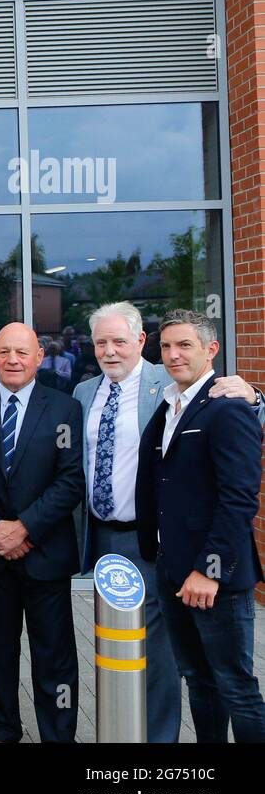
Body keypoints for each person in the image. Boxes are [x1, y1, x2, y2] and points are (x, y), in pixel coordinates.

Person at [77, 301, 264, 742]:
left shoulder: (203, 393)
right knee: (190, 671)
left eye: (119, 341)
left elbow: (239, 493)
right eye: (101, 342)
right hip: (135, 547)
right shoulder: (109, 396)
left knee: (228, 680)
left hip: (202, 563)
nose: (109, 350)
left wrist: (256, 395)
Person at [136, 309, 265, 742]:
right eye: (167, 346)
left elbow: (239, 499)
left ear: (211, 349)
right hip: (173, 568)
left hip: (216, 579)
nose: (173, 355)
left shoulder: (227, 407)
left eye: (184, 345)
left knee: (236, 685)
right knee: (198, 677)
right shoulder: (171, 404)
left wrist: (209, 571)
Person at [0, 322, 84, 743]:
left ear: (39, 358)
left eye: (22, 352)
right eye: (5, 352)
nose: (13, 360)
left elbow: (70, 481)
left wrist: (24, 527)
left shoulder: (65, 409)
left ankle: (58, 734)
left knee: (54, 655)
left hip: (44, 552)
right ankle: (3, 730)